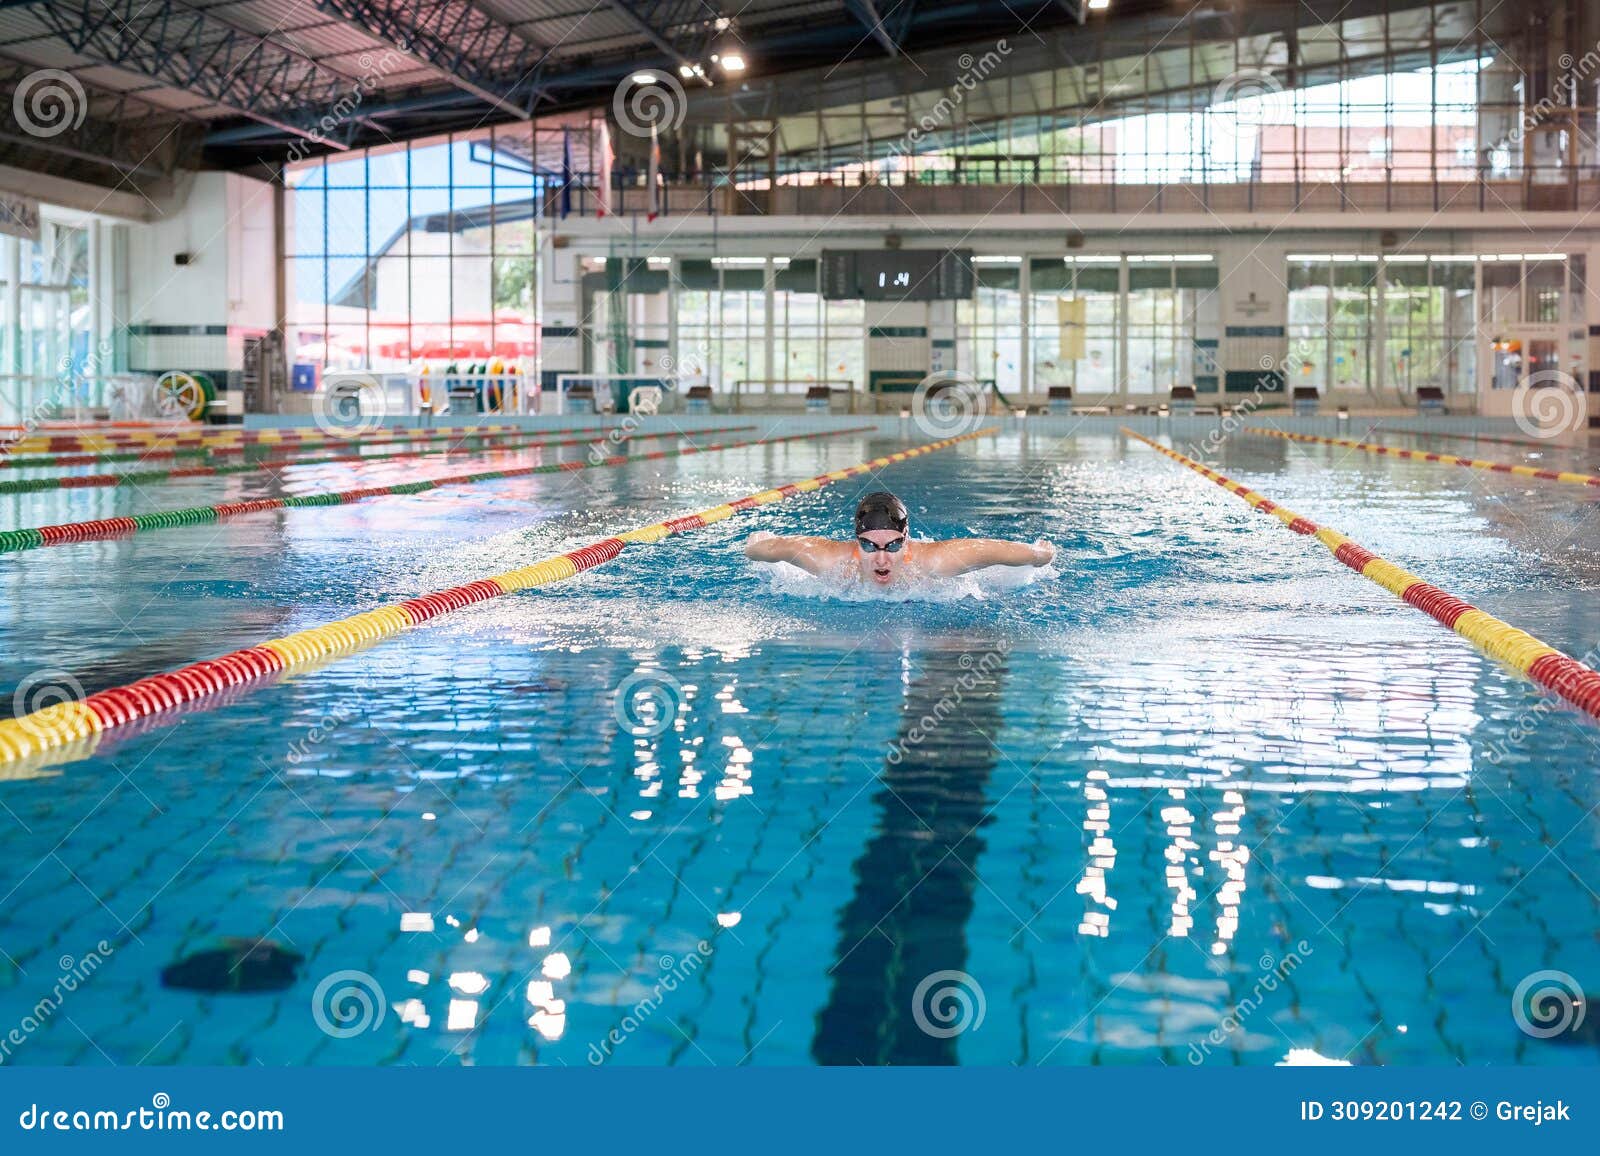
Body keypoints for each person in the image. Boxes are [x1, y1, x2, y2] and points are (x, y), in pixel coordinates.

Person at [744, 490, 1055, 588]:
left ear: (906, 540)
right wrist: (754, 545)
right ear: (856, 541)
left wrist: (1039, 555)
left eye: (893, 545)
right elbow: (771, 547)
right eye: (869, 545)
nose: (882, 558)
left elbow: (992, 550)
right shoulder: (828, 560)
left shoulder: (933, 561)